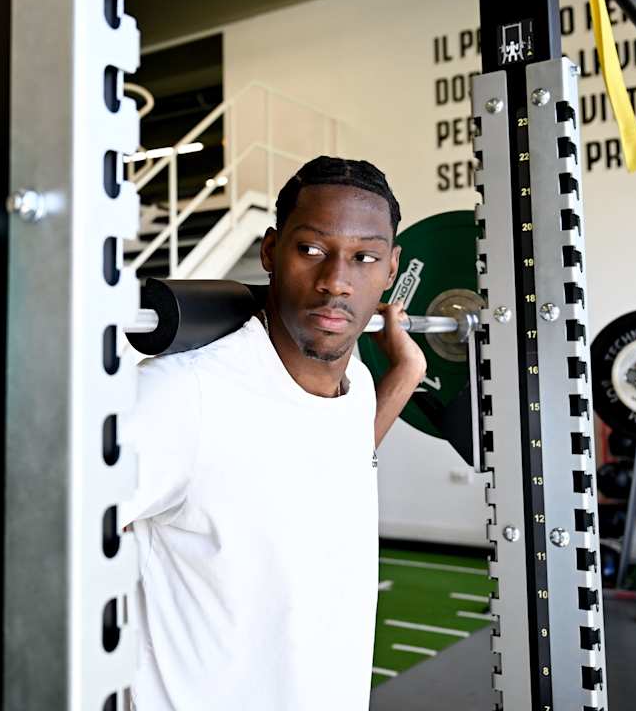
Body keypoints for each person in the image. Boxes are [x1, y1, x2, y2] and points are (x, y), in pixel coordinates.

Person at [121, 156, 426, 710]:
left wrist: (406, 375)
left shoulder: (355, 383)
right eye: (311, 250)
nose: (336, 281)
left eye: (364, 258)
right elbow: (41, 530)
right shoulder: (181, 395)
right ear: (270, 252)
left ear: (390, 269)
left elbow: (326, 459)